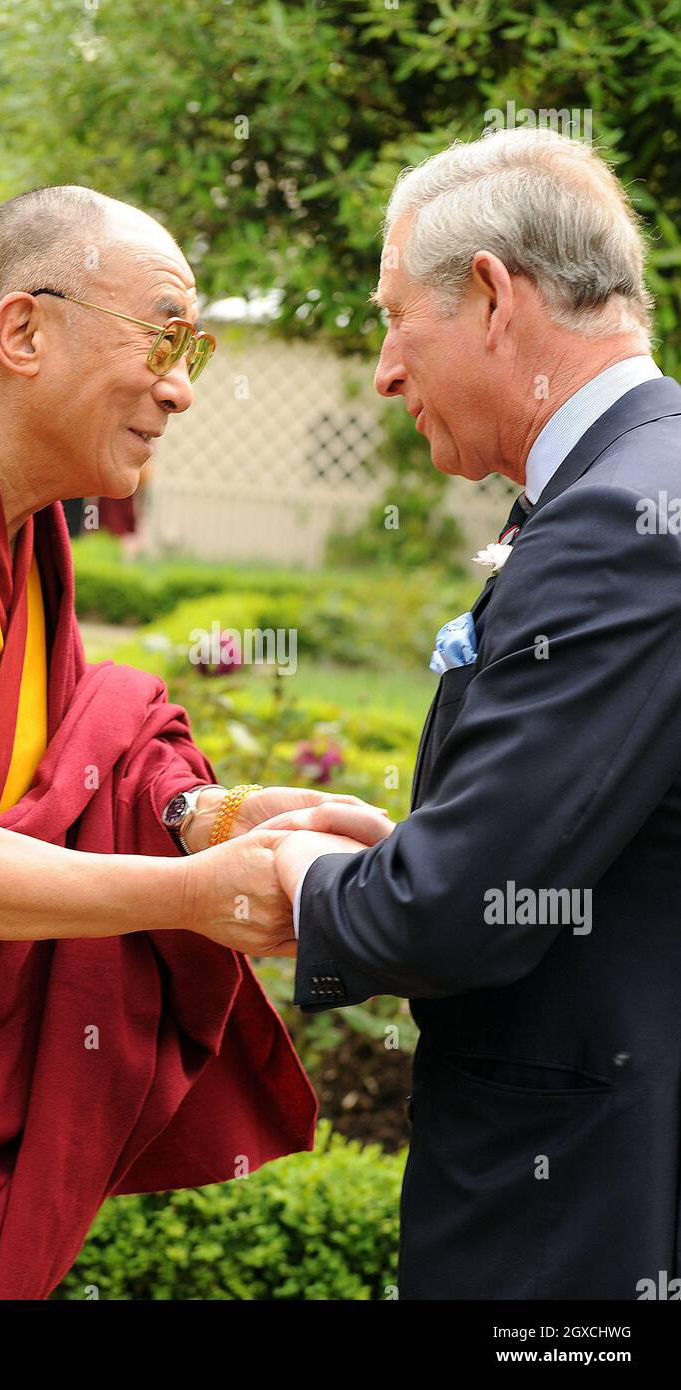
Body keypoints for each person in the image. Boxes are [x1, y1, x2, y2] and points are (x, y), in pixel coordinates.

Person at [0, 186, 386, 1299]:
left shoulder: (16, 531)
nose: (178, 387)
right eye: (161, 337)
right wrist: (187, 896)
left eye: (194, 351)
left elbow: (84, 758)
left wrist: (207, 819)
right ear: (25, 331)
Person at [274, 126, 681, 1300]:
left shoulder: (618, 522)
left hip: (578, 1215)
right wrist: (409, 850)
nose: (383, 370)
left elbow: (452, 918)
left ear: (493, 296)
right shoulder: (631, 481)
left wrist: (297, 870)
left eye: (394, 316)